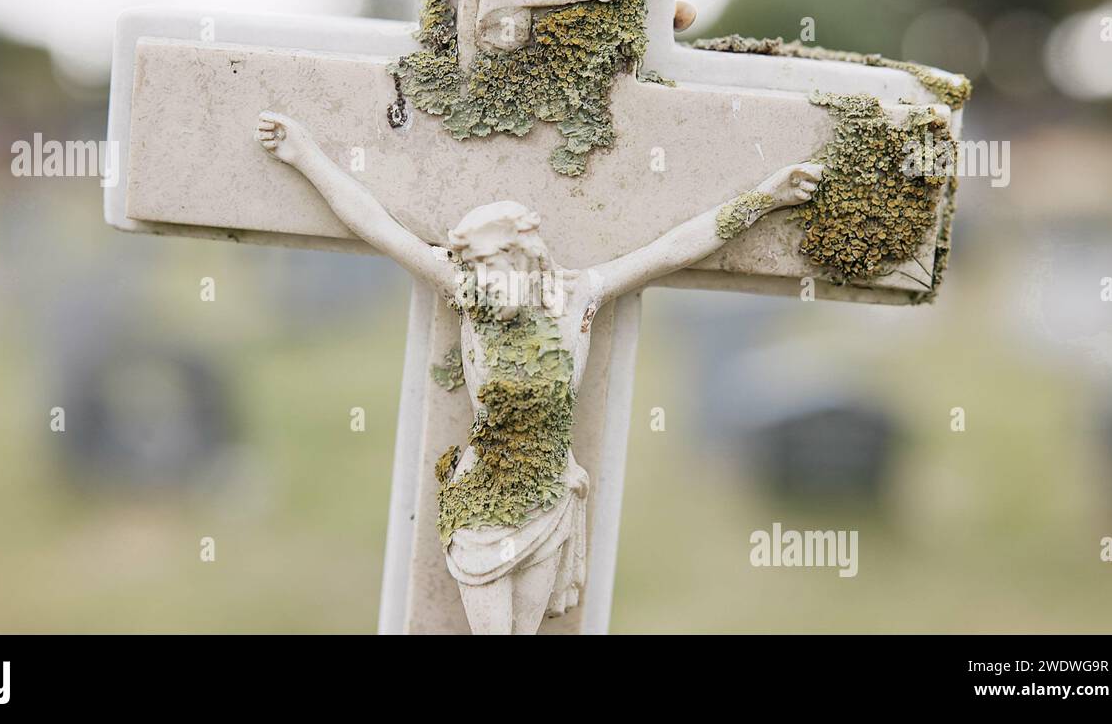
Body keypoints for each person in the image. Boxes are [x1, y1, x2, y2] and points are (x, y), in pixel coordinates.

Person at [256, 110, 822, 633]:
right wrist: (305, 156)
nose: (478, 275)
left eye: (487, 262)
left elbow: (677, 247)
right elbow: (375, 224)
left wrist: (767, 197)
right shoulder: (469, 296)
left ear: (523, 253)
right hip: (482, 500)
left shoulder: (578, 298)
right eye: (471, 265)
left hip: (548, 496)